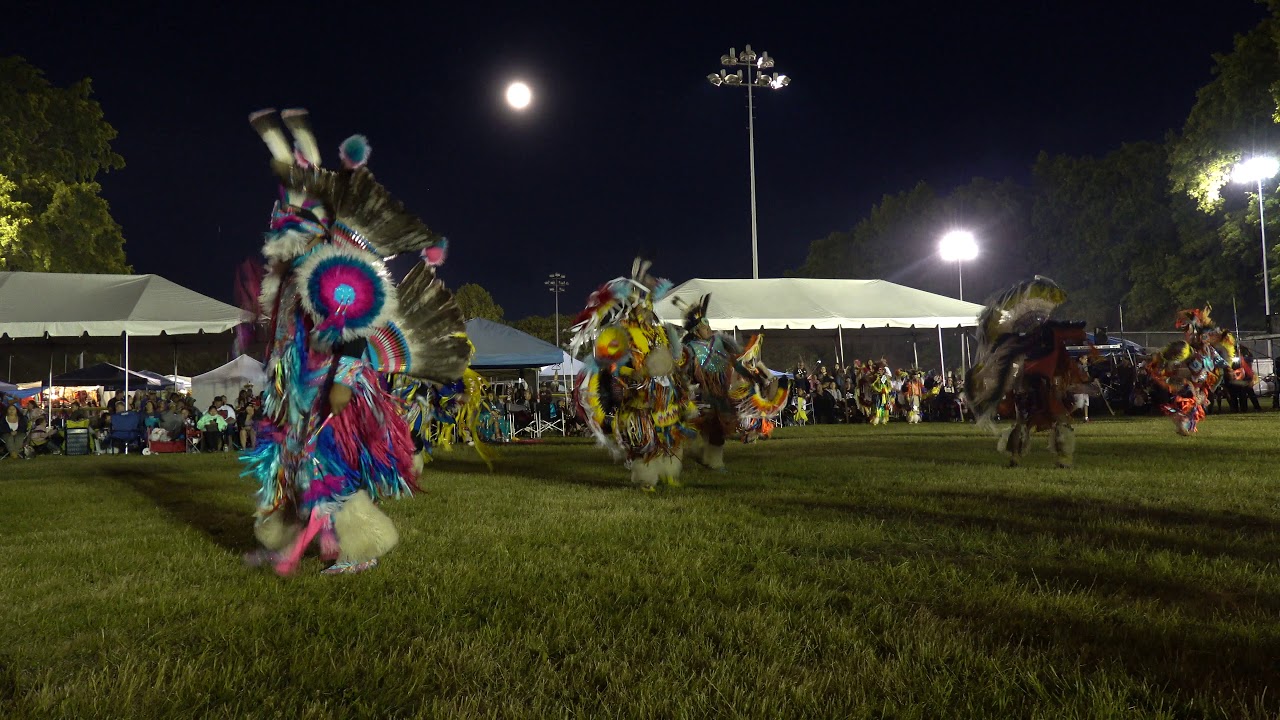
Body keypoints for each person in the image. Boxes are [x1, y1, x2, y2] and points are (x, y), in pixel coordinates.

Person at [239, 108, 470, 575]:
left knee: (324, 463)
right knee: (286, 462)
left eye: (287, 218)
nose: (277, 227)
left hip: (328, 381)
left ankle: (364, 542)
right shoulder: (286, 277)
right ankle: (285, 538)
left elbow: (355, 328)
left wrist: (342, 382)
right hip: (295, 387)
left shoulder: (328, 265)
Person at [570, 258, 699, 491]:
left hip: (666, 392)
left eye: (647, 303)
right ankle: (645, 477)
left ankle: (669, 471)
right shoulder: (623, 332)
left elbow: (675, 356)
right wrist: (635, 372)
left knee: (670, 434)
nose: (645, 307)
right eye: (640, 303)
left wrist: (677, 365)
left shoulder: (660, 330)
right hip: (638, 395)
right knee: (644, 438)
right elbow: (613, 367)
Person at [966, 277, 1091, 468]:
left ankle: (1015, 457)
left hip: (1024, 387)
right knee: (1060, 419)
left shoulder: (1017, 340)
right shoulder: (1052, 331)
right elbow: (1078, 333)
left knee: (1022, 422)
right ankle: (1063, 459)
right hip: (1043, 386)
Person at [674, 293, 787, 470]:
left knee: (719, 429)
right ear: (696, 330)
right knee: (703, 427)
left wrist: (751, 374)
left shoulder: (720, 340)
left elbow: (737, 360)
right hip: (703, 394)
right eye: (704, 326)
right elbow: (684, 372)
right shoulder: (690, 348)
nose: (709, 328)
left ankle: (713, 460)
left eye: (709, 324)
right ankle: (699, 456)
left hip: (723, 391)